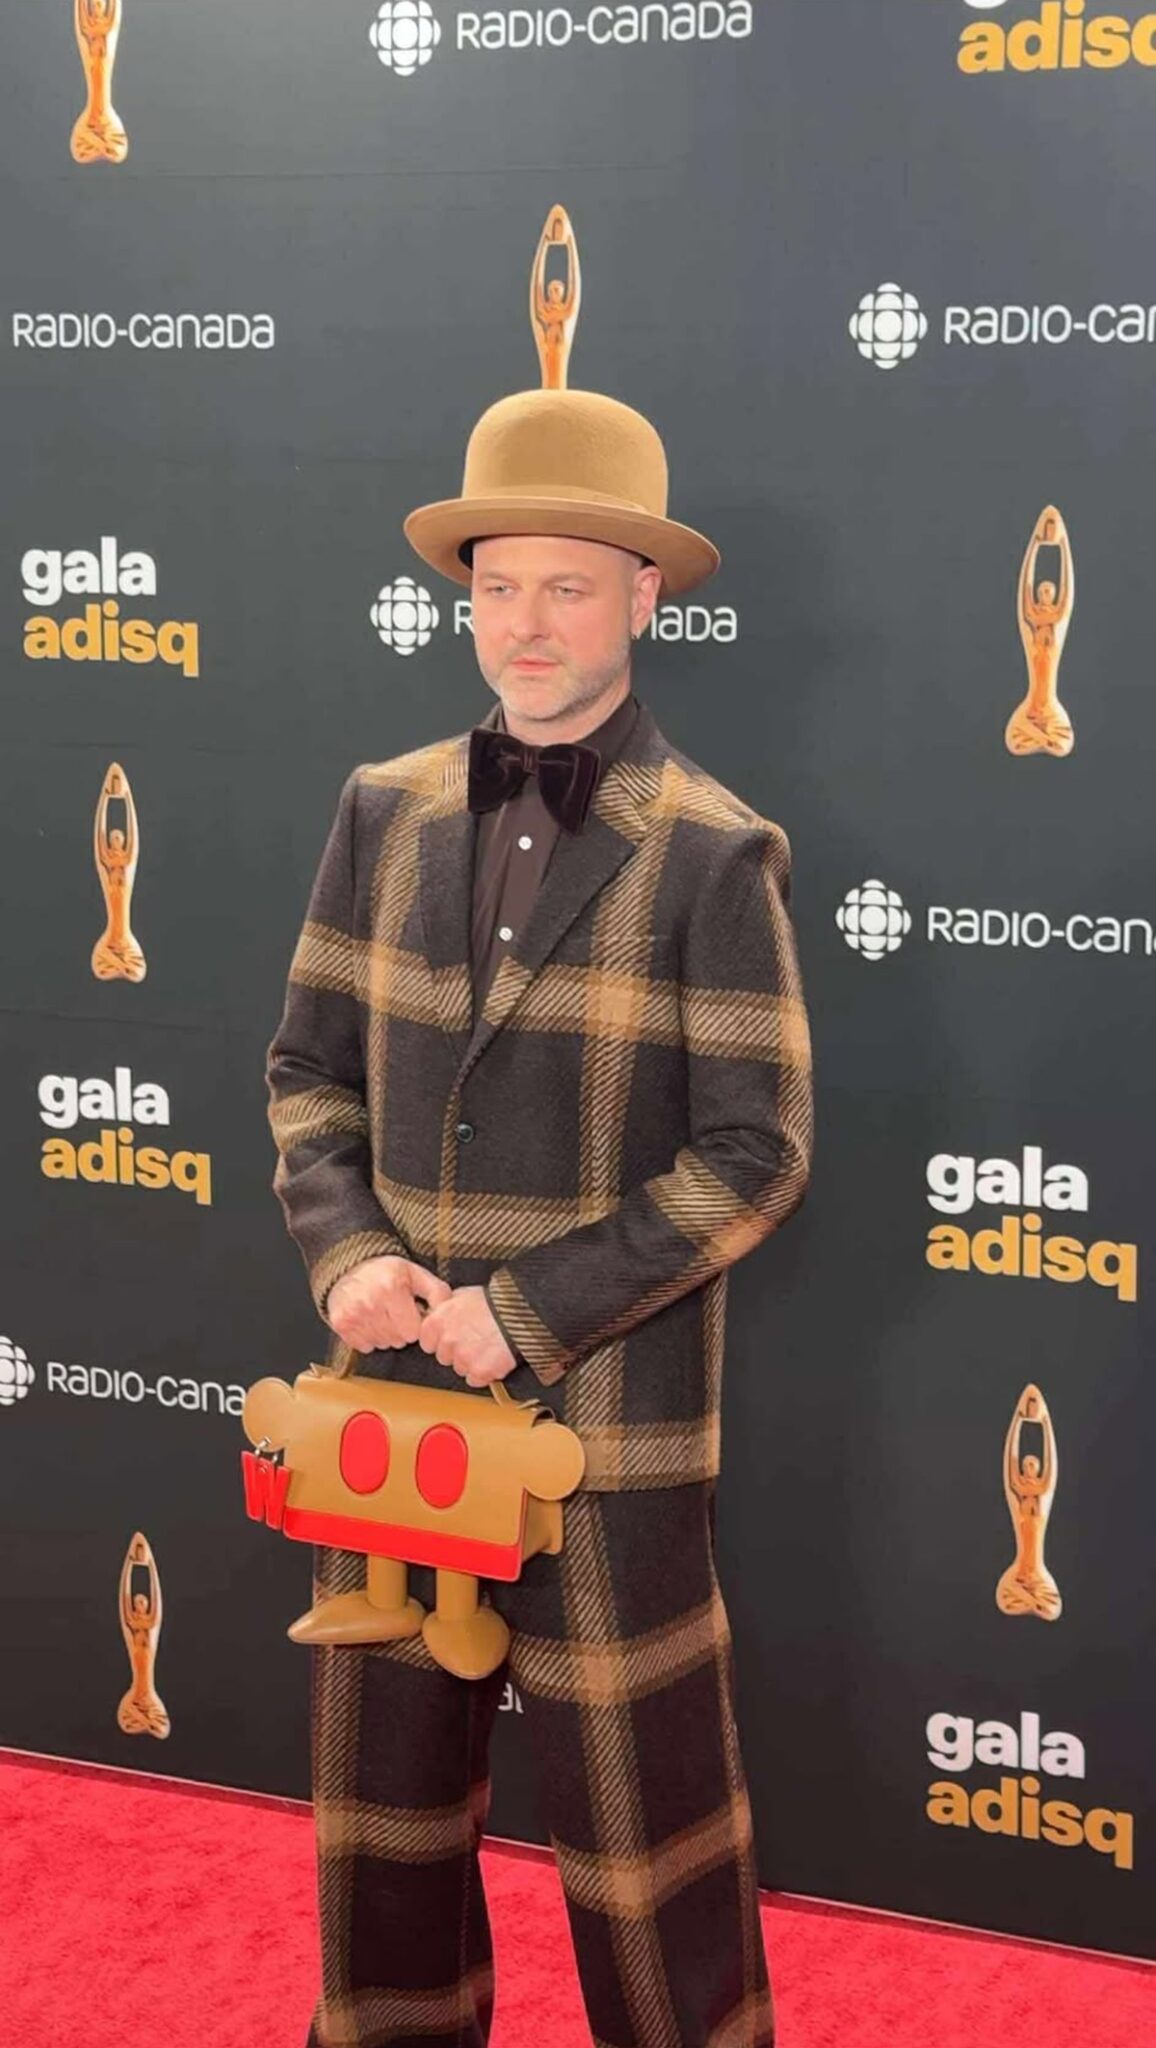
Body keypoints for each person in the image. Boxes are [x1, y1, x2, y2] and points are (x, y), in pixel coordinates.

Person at [265, 379, 813, 2048]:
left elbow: (757, 1149)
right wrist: (348, 1250)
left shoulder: (717, 854)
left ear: (645, 600)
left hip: (611, 1420)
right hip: (402, 1415)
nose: (526, 623)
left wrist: (533, 1309)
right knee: (389, 1814)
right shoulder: (384, 806)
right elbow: (308, 1070)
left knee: (647, 1828)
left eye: (569, 586)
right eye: (498, 584)